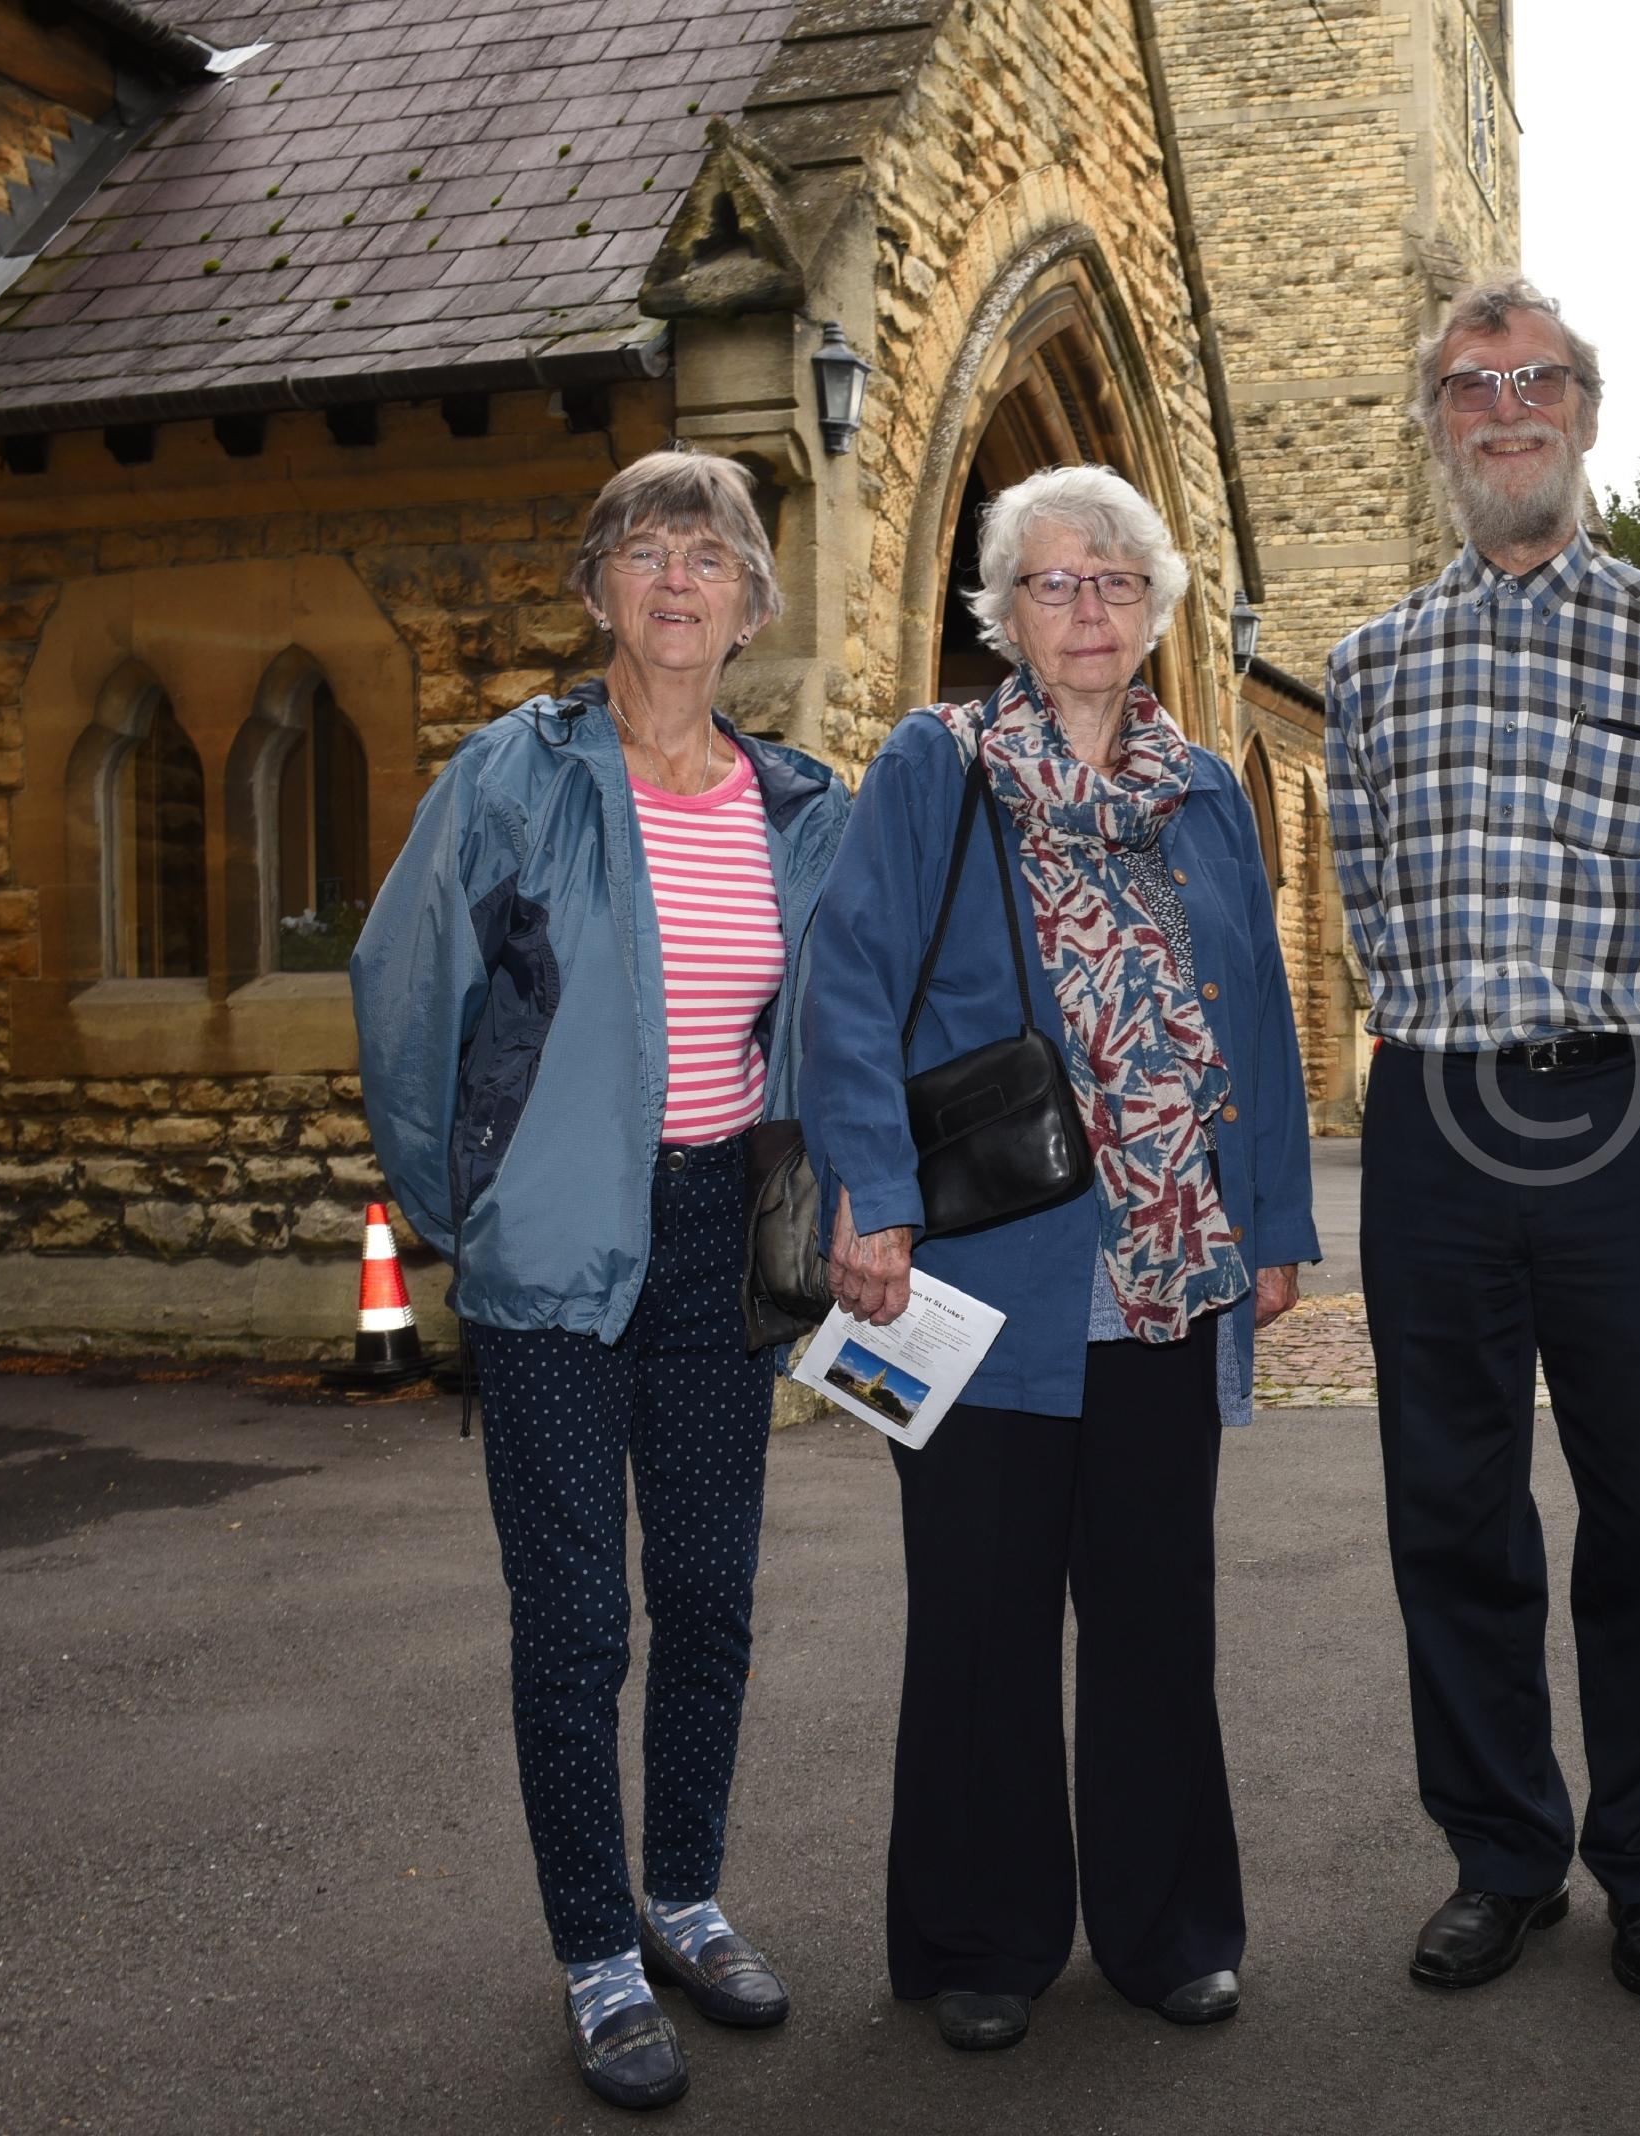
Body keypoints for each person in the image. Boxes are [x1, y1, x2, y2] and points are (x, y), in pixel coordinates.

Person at [352, 449, 852, 2110]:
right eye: (646, 550)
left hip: (727, 1249)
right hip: (557, 1259)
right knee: (574, 1627)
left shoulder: (801, 808)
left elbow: (843, 1036)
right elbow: (402, 991)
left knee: (707, 1602)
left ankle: (687, 1895)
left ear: (752, 605)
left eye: (712, 556)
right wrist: (463, 1207)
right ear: (598, 591)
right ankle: (596, 1954)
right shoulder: (518, 776)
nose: (680, 580)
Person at [800, 464, 1318, 2055]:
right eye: (1051, 584)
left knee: (1157, 1609)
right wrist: (868, 1193)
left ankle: (1170, 1934)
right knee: (982, 1613)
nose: (1086, 609)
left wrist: (1277, 1221)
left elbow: (1262, 1019)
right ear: (1005, 615)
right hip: (982, 1269)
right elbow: (849, 982)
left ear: (1155, 608)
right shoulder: (936, 764)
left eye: (1113, 582)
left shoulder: (1208, 788)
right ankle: (981, 1940)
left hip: (1172, 1265)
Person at [1325, 276, 1640, 2000]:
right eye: (1467, 386)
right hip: (1434, 1112)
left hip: (1623, 1113)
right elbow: (1366, 901)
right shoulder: (1369, 667)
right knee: (1450, 1511)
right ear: (1434, 424)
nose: (1504, 408)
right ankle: (1502, 1853)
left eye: (1537, 381)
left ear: (1588, 408)